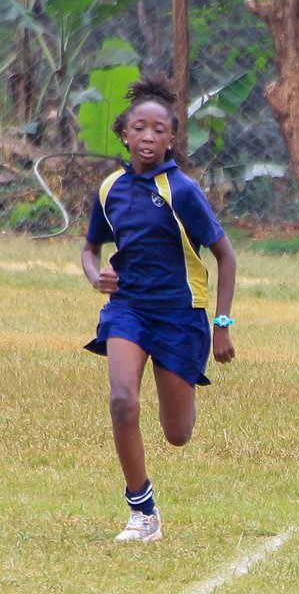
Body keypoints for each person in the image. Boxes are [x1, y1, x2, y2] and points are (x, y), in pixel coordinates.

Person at [81, 76, 238, 542]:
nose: (148, 136)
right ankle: (142, 511)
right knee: (122, 400)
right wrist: (96, 277)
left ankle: (180, 386)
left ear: (171, 139)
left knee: (178, 433)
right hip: (128, 309)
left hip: (179, 315)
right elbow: (90, 249)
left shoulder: (182, 191)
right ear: (124, 134)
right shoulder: (110, 188)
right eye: (139, 128)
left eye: (158, 129)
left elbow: (225, 255)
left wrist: (222, 325)